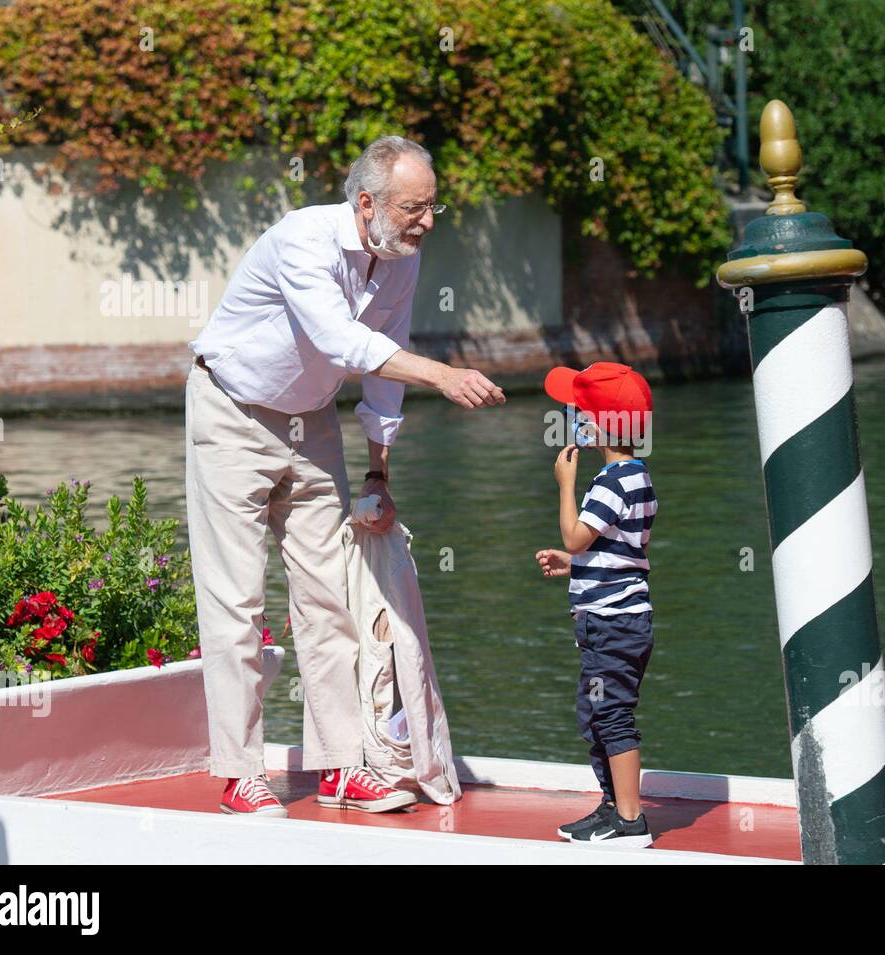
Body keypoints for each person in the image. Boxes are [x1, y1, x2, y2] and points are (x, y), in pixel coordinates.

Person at [186, 134, 505, 817]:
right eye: (414, 208)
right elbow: (343, 342)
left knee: (330, 597)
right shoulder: (304, 240)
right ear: (367, 203)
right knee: (237, 602)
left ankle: (339, 763)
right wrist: (445, 376)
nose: (426, 221)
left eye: (432, 208)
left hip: (311, 420)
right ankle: (241, 772)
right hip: (231, 411)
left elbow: (385, 364)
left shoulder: (400, 258)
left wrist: (377, 473)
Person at [535, 361, 657, 847]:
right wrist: (575, 563)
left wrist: (565, 483)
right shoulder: (636, 477)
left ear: (600, 424)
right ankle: (611, 807)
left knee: (611, 714)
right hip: (616, 620)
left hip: (613, 625)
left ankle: (630, 820)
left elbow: (575, 533)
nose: (571, 418)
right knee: (595, 711)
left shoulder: (609, 483)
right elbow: (619, 549)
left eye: (577, 411)